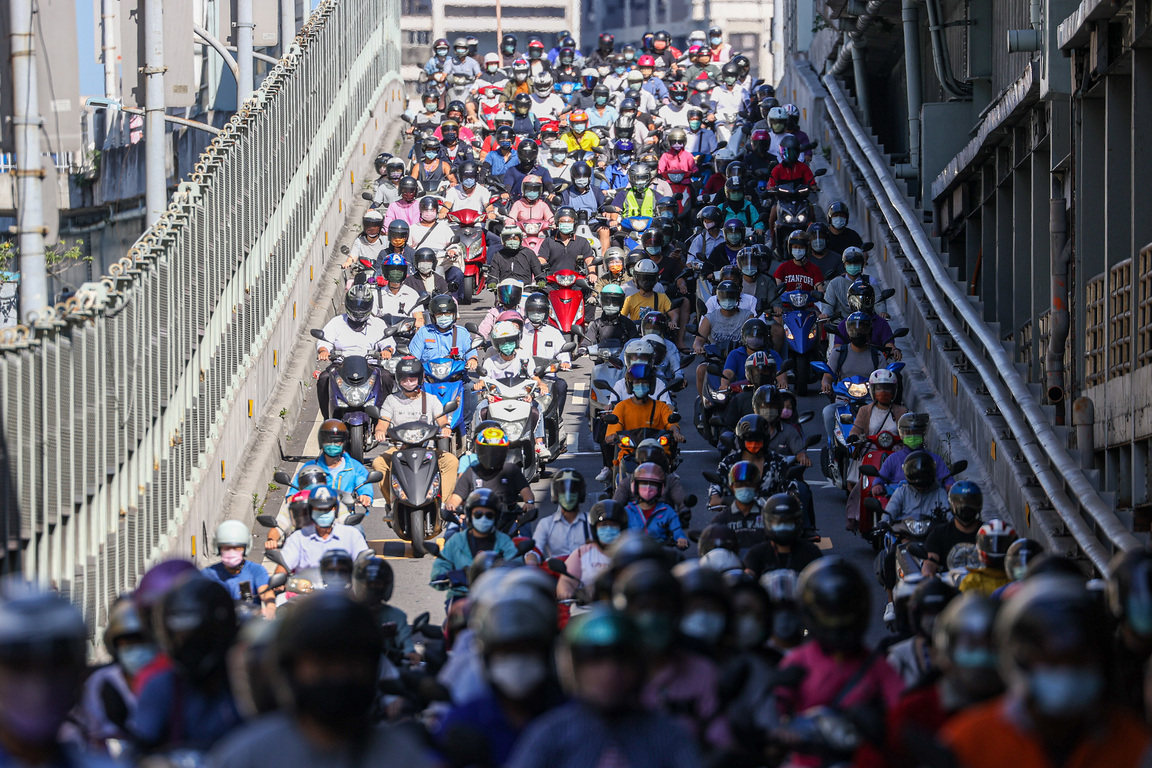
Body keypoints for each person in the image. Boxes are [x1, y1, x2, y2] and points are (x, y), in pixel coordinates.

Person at [942, 575, 1149, 768]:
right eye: (1051, 661)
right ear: (1020, 661)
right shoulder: (968, 744)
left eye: (1078, 660)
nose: (1066, 672)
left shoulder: (1134, 746)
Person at [210, 592, 434, 768]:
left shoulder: (404, 758)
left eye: (351, 663)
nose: (338, 674)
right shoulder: (246, 758)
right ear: (292, 668)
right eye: (323, 663)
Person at [506, 607, 702, 768]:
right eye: (594, 660)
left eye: (622, 659)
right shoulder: (550, 736)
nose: (610, 673)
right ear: (572, 666)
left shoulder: (667, 736)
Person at [436, 590, 561, 766]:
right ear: (487, 659)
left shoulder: (572, 721)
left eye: (526, 651)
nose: (517, 663)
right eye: (506, 653)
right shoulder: (464, 720)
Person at [133, 575, 243, 751]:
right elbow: (140, 745)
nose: (190, 648)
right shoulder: (161, 688)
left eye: (201, 638)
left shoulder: (247, 684)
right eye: (180, 639)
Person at [370, 356, 458, 502]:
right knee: (378, 463)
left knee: (451, 461)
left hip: (428, 451)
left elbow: (441, 419)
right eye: (404, 379)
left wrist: (445, 427)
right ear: (398, 379)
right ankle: (391, 502)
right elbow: (383, 422)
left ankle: (444, 504)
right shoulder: (391, 400)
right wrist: (379, 431)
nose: (409, 383)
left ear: (420, 378)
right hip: (398, 450)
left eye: (412, 379)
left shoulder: (431, 399)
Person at [314, 285, 394, 420]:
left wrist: (387, 351)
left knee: (386, 377)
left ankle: (384, 418)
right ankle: (328, 419)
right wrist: (324, 351)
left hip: (370, 366)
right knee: (323, 379)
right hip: (341, 366)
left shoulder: (378, 324)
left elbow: (388, 343)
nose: (358, 310)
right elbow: (324, 342)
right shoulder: (337, 322)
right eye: (355, 306)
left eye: (362, 306)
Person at [432, 489, 522, 599]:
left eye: (489, 515)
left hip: (496, 598)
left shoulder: (504, 541)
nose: (483, 519)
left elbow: (516, 565)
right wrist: (445, 576)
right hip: (461, 597)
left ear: (496, 517)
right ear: (470, 515)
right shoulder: (456, 541)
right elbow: (440, 568)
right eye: (478, 514)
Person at [445, 426, 537, 522]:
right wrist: (451, 506)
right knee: (452, 529)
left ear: (505, 452)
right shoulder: (471, 472)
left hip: (507, 518)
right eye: (487, 452)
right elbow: (456, 497)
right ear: (478, 450)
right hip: (475, 519)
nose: (492, 456)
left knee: (525, 528)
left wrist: (529, 502)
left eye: (497, 452)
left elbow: (525, 490)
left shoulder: (511, 470)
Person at [276, 486, 370, 574]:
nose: (324, 513)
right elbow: (282, 568)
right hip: (307, 589)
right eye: (319, 509)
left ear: (336, 510)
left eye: (328, 509)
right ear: (310, 510)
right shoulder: (298, 538)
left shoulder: (352, 534)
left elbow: (365, 564)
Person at [887, 578, 958, 688]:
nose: (935, 619)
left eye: (940, 611)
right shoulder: (899, 657)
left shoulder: (964, 651)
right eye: (929, 612)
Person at [350, 555, 420, 663]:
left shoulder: (397, 617)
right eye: (368, 584)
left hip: (390, 669)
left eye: (377, 584)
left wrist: (411, 656)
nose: (372, 589)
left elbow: (407, 648)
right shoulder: (348, 615)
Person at [294, 420, 374, 508]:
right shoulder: (310, 468)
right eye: (328, 442)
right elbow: (296, 487)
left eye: (337, 442)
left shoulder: (354, 467)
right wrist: (292, 496)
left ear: (344, 443)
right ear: (322, 443)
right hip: (315, 514)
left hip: (345, 515)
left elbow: (363, 482)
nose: (332, 445)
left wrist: (365, 495)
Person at [201, 520, 274, 616]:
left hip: (249, 624)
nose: (231, 552)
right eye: (226, 548)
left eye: (236, 548)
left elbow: (266, 592)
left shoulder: (256, 570)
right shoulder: (208, 574)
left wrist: (270, 607)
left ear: (245, 548)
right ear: (218, 548)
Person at [558, 501, 626, 600]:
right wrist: (566, 592)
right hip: (587, 610)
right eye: (603, 525)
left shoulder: (630, 552)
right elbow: (566, 581)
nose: (608, 529)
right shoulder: (581, 553)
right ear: (594, 529)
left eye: (613, 525)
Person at [743, 494, 823, 576]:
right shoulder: (757, 553)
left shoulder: (811, 552)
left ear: (798, 522)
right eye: (777, 522)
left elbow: (820, 577)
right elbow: (748, 575)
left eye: (788, 521)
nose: (783, 525)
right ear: (767, 522)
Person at [878, 413, 955, 489]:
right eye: (908, 433)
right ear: (901, 434)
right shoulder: (893, 459)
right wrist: (877, 485)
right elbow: (880, 477)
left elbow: (948, 480)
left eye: (916, 432)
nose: (912, 436)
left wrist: (950, 487)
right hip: (900, 499)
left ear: (923, 433)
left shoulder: (935, 459)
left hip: (929, 499)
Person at [923, 481, 984, 577]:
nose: (965, 507)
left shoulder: (988, 534)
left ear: (979, 505)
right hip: (949, 590)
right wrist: (928, 572)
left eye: (971, 503)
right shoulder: (938, 535)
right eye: (959, 503)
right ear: (951, 505)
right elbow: (930, 561)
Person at [623, 463, 688, 549]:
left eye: (653, 484)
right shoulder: (626, 512)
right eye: (643, 483)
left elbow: (677, 530)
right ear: (635, 486)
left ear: (660, 488)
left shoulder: (667, 511)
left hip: (659, 554)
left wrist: (681, 538)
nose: (648, 488)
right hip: (633, 554)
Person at [708, 461, 766, 551]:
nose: (744, 488)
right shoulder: (721, 520)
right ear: (731, 487)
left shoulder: (767, 517)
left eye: (749, 484)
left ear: (757, 486)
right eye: (739, 484)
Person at [533, 470, 589, 559]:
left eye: (572, 491)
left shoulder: (591, 522)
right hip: (556, 572)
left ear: (580, 493)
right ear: (556, 495)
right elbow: (535, 549)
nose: (568, 495)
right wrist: (532, 559)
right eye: (563, 491)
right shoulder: (546, 524)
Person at [959, 520, 1018, 596]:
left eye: (1001, 545)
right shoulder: (1017, 580)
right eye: (990, 545)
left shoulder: (971, 580)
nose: (996, 549)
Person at [540, 207, 596, 274]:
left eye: (569, 221)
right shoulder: (549, 241)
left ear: (574, 223)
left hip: (577, 279)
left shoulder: (582, 241)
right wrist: (544, 265)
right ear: (557, 223)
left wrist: (592, 273)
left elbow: (589, 259)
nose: (566, 224)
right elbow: (541, 258)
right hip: (553, 279)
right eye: (562, 221)